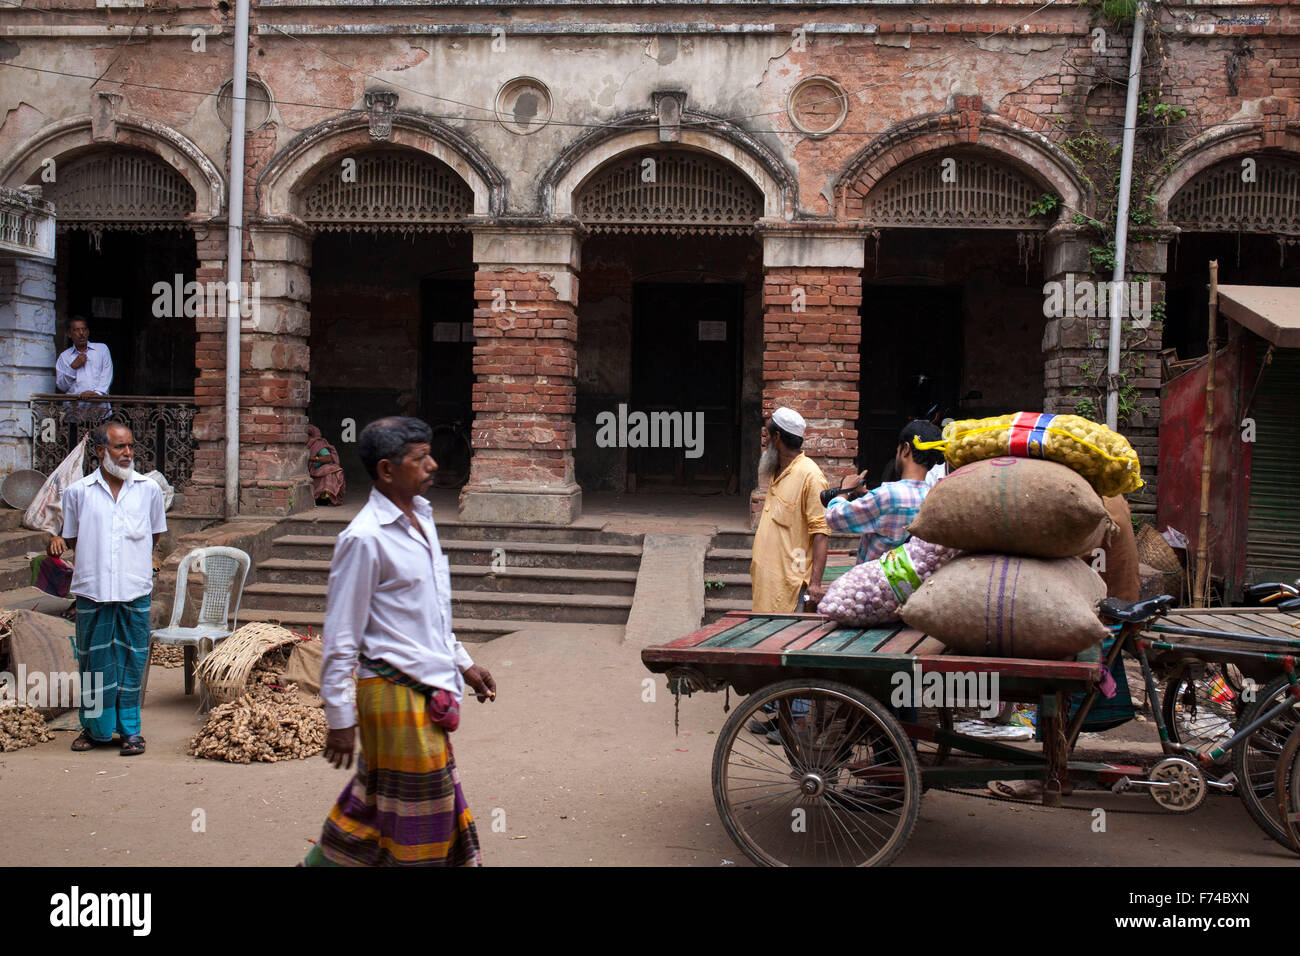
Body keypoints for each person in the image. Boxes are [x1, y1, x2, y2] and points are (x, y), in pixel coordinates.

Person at [304, 416, 496, 867]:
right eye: (419, 458)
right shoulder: (364, 538)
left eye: (430, 454)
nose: (432, 465)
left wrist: (463, 663)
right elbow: (341, 635)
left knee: (374, 811)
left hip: (424, 688)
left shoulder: (423, 519)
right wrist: (339, 716)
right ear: (387, 470)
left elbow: (429, 613)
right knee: (421, 818)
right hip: (392, 695)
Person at [48, 423, 166, 756]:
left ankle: (130, 731)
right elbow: (71, 539)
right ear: (100, 451)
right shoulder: (79, 492)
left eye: (130, 446)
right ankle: (96, 730)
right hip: (92, 588)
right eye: (119, 447)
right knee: (94, 660)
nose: (127, 453)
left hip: (135, 586)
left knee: (131, 659)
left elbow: (154, 535)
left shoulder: (148, 490)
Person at [826, 420, 943, 564]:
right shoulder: (935, 497)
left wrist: (844, 490)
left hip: (876, 581)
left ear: (906, 449)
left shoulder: (888, 495)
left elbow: (834, 519)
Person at [750, 407, 830, 614]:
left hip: (790, 591)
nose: (765, 442)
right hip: (767, 589)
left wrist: (815, 585)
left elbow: (821, 532)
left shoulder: (810, 476)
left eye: (767, 436)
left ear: (777, 437)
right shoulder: (778, 471)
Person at [54, 316, 113, 423]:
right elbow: (62, 386)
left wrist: (97, 393)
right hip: (74, 414)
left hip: (99, 412)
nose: (81, 333)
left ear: (88, 332)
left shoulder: (101, 349)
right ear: (69, 334)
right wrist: (73, 367)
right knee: (74, 439)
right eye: (76, 330)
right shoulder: (64, 356)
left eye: (84, 329)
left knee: (101, 439)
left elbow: (107, 374)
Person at [306, 424, 346, 505]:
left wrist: (311, 459)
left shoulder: (317, 443)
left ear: (310, 436)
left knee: (329, 471)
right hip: (312, 469)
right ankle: (320, 498)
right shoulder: (305, 445)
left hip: (319, 468)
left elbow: (328, 458)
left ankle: (327, 498)